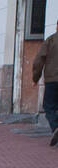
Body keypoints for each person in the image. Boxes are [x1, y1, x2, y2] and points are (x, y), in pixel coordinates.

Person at [32, 17, 58, 147]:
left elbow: (39, 60)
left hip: (53, 79)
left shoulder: (51, 40)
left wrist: (35, 78)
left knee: (49, 106)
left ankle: (55, 127)